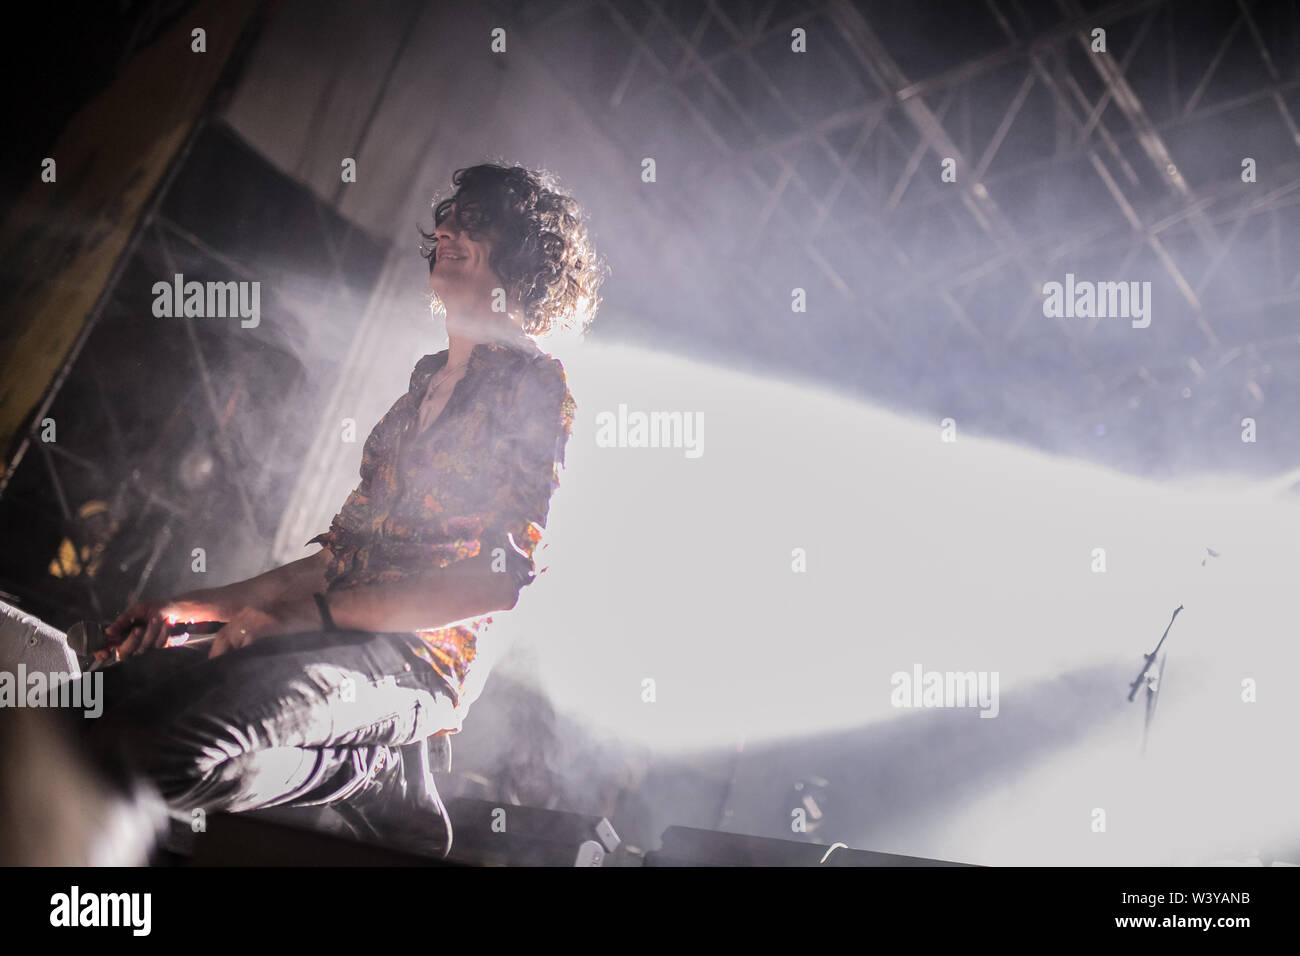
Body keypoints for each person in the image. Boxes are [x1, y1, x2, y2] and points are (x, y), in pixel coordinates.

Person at [91, 163, 606, 858]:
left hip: (417, 662)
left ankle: (368, 771)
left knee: (172, 754)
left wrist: (311, 618)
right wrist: (192, 607)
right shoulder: (419, 388)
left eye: (477, 221)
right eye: (450, 218)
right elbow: (338, 559)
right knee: (98, 713)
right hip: (333, 633)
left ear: (523, 252)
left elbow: (498, 579)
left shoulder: (537, 384)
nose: (450, 229)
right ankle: (372, 764)